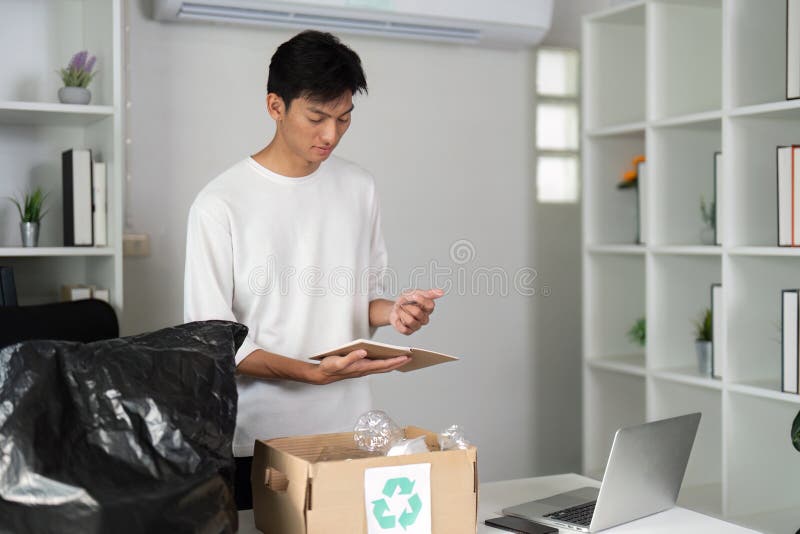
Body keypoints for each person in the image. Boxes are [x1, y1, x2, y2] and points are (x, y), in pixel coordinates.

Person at [183, 30, 443, 510]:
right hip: (259, 440)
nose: (331, 134)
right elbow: (215, 342)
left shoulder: (358, 186)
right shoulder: (220, 204)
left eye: (344, 119)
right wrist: (307, 373)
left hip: (352, 431)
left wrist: (396, 313)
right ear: (275, 106)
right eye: (317, 117)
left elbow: (361, 299)